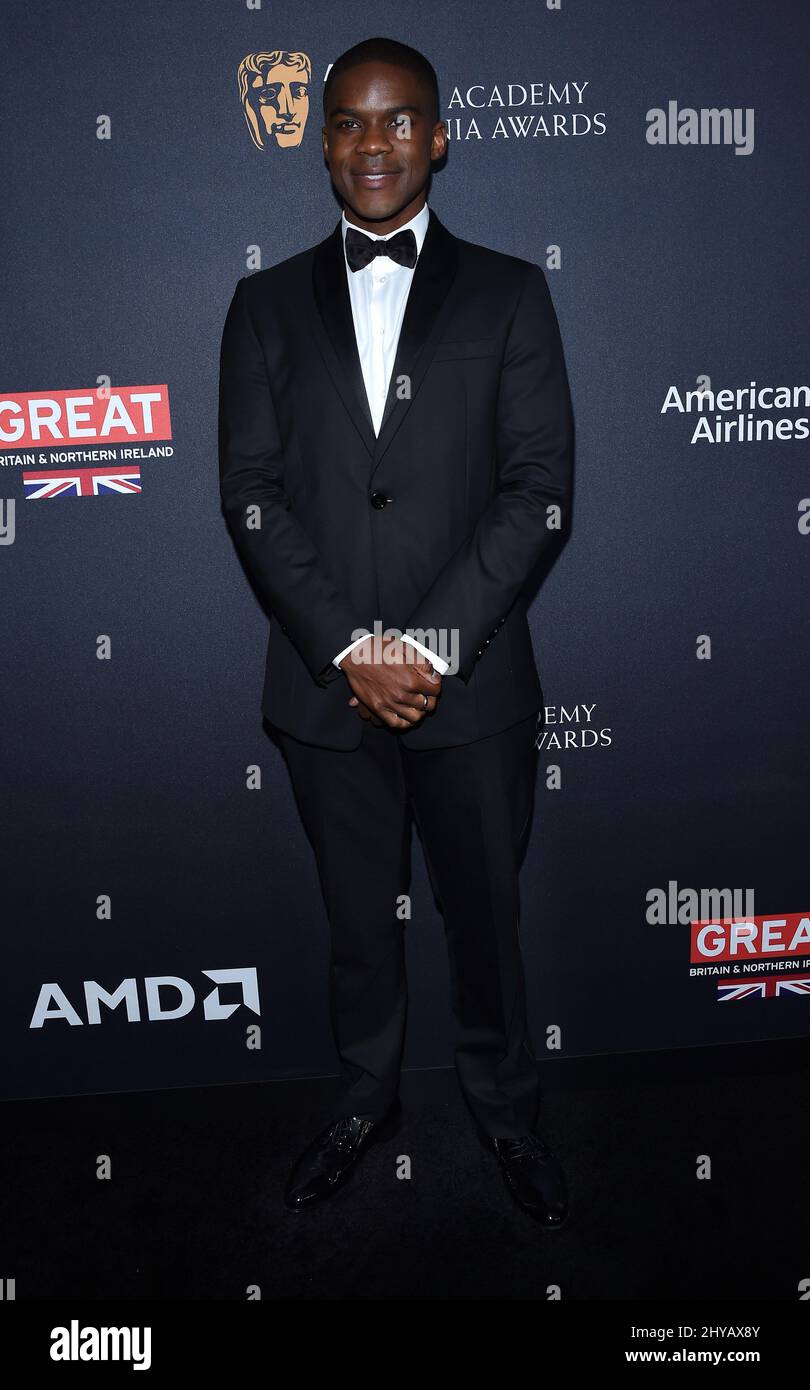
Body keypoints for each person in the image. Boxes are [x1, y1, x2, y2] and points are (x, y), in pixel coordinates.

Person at [218, 36, 574, 1226]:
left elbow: (537, 487)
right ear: (322, 142)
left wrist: (421, 650)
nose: (372, 144)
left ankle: (506, 1113)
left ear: (438, 136)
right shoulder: (262, 304)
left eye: (396, 120)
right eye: (350, 124)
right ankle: (365, 1099)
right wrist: (350, 647)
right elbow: (252, 493)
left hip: (469, 691)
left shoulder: (514, 291)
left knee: (488, 924)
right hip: (326, 693)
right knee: (358, 926)